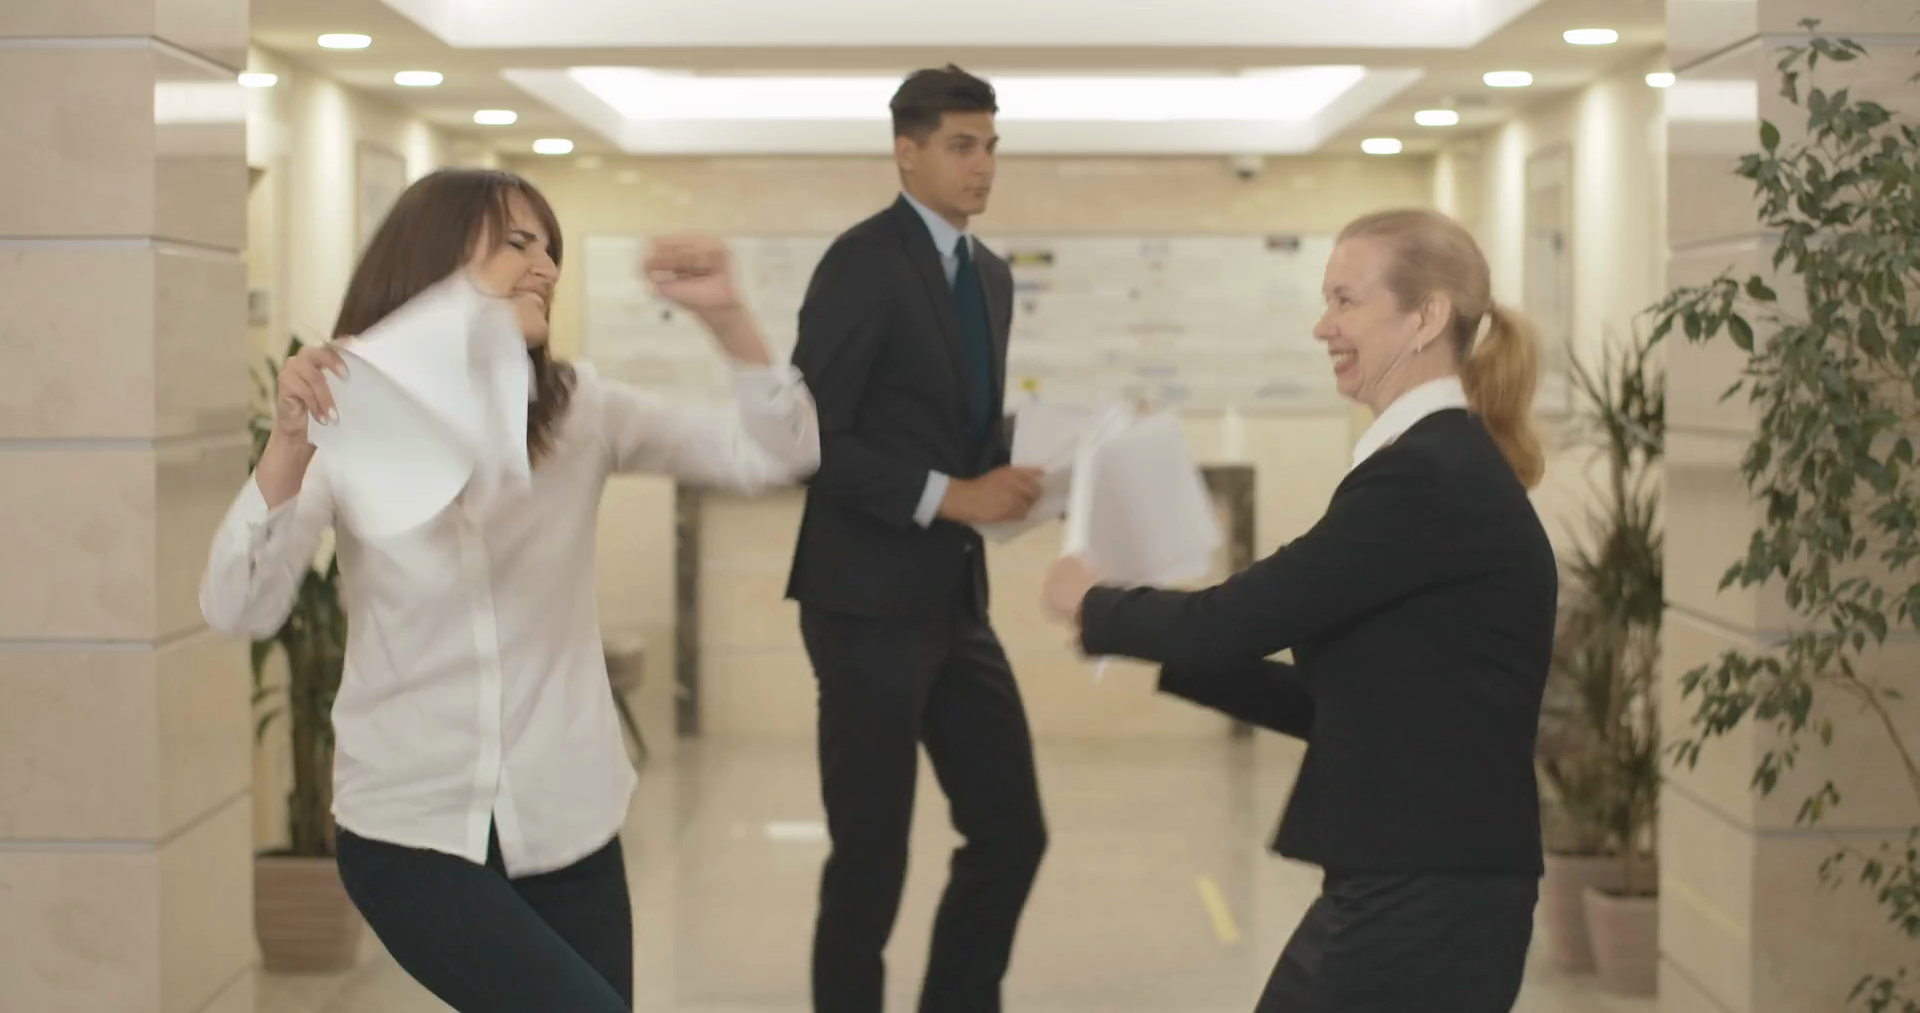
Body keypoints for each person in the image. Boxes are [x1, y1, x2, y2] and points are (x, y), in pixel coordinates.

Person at [199, 168, 819, 1013]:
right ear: (436, 263)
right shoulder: (345, 418)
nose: (547, 267)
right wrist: (289, 448)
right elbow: (241, 606)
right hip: (410, 830)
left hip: (569, 822)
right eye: (518, 243)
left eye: (550, 248)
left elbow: (779, 456)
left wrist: (726, 316)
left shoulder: (580, 409)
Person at [1041, 208, 1556, 1013]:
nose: (1324, 326)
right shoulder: (1431, 465)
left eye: (1347, 300)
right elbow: (1342, 701)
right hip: (1426, 880)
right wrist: (1158, 646)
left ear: (1425, 317)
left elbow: (1238, 617)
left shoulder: (1423, 476)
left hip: (1427, 889)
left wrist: (1096, 603)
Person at [785, 65, 1048, 1013]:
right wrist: (950, 494)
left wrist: (1033, 463)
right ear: (907, 150)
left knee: (1013, 830)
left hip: (953, 601)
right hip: (860, 604)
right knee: (873, 853)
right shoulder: (861, 262)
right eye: (961, 146)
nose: (982, 167)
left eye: (990, 147)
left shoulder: (991, 277)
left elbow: (956, 430)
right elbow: (810, 440)